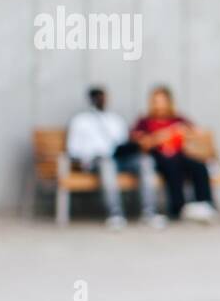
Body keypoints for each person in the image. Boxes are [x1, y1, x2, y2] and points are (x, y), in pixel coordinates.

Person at [65, 86, 165, 230]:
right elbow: (73, 149)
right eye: (97, 97)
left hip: (119, 159)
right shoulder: (80, 121)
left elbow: (123, 143)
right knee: (107, 164)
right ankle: (115, 214)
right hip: (95, 161)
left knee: (145, 161)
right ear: (91, 99)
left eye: (103, 97)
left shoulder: (115, 120)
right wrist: (89, 155)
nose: (101, 100)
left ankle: (149, 213)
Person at [131, 86, 217, 223]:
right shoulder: (144, 122)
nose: (159, 105)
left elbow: (197, 133)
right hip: (158, 157)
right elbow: (139, 143)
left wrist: (184, 132)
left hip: (182, 155)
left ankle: (205, 205)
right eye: (156, 101)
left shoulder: (179, 119)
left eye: (162, 101)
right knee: (171, 164)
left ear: (169, 102)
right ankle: (178, 208)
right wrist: (162, 136)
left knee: (198, 166)